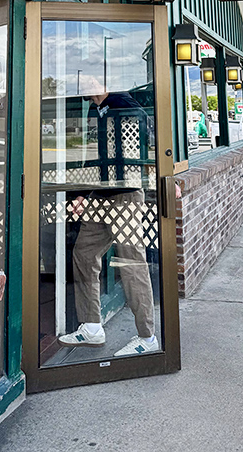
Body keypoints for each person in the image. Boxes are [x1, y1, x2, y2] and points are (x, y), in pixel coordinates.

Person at [58, 75, 158, 356]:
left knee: (131, 262)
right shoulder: (94, 110)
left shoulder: (120, 102)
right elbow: (94, 156)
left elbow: (142, 127)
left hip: (125, 195)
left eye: (89, 79)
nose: (84, 84)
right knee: (84, 254)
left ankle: (147, 338)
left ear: (103, 82)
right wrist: (81, 193)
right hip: (100, 196)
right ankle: (91, 326)